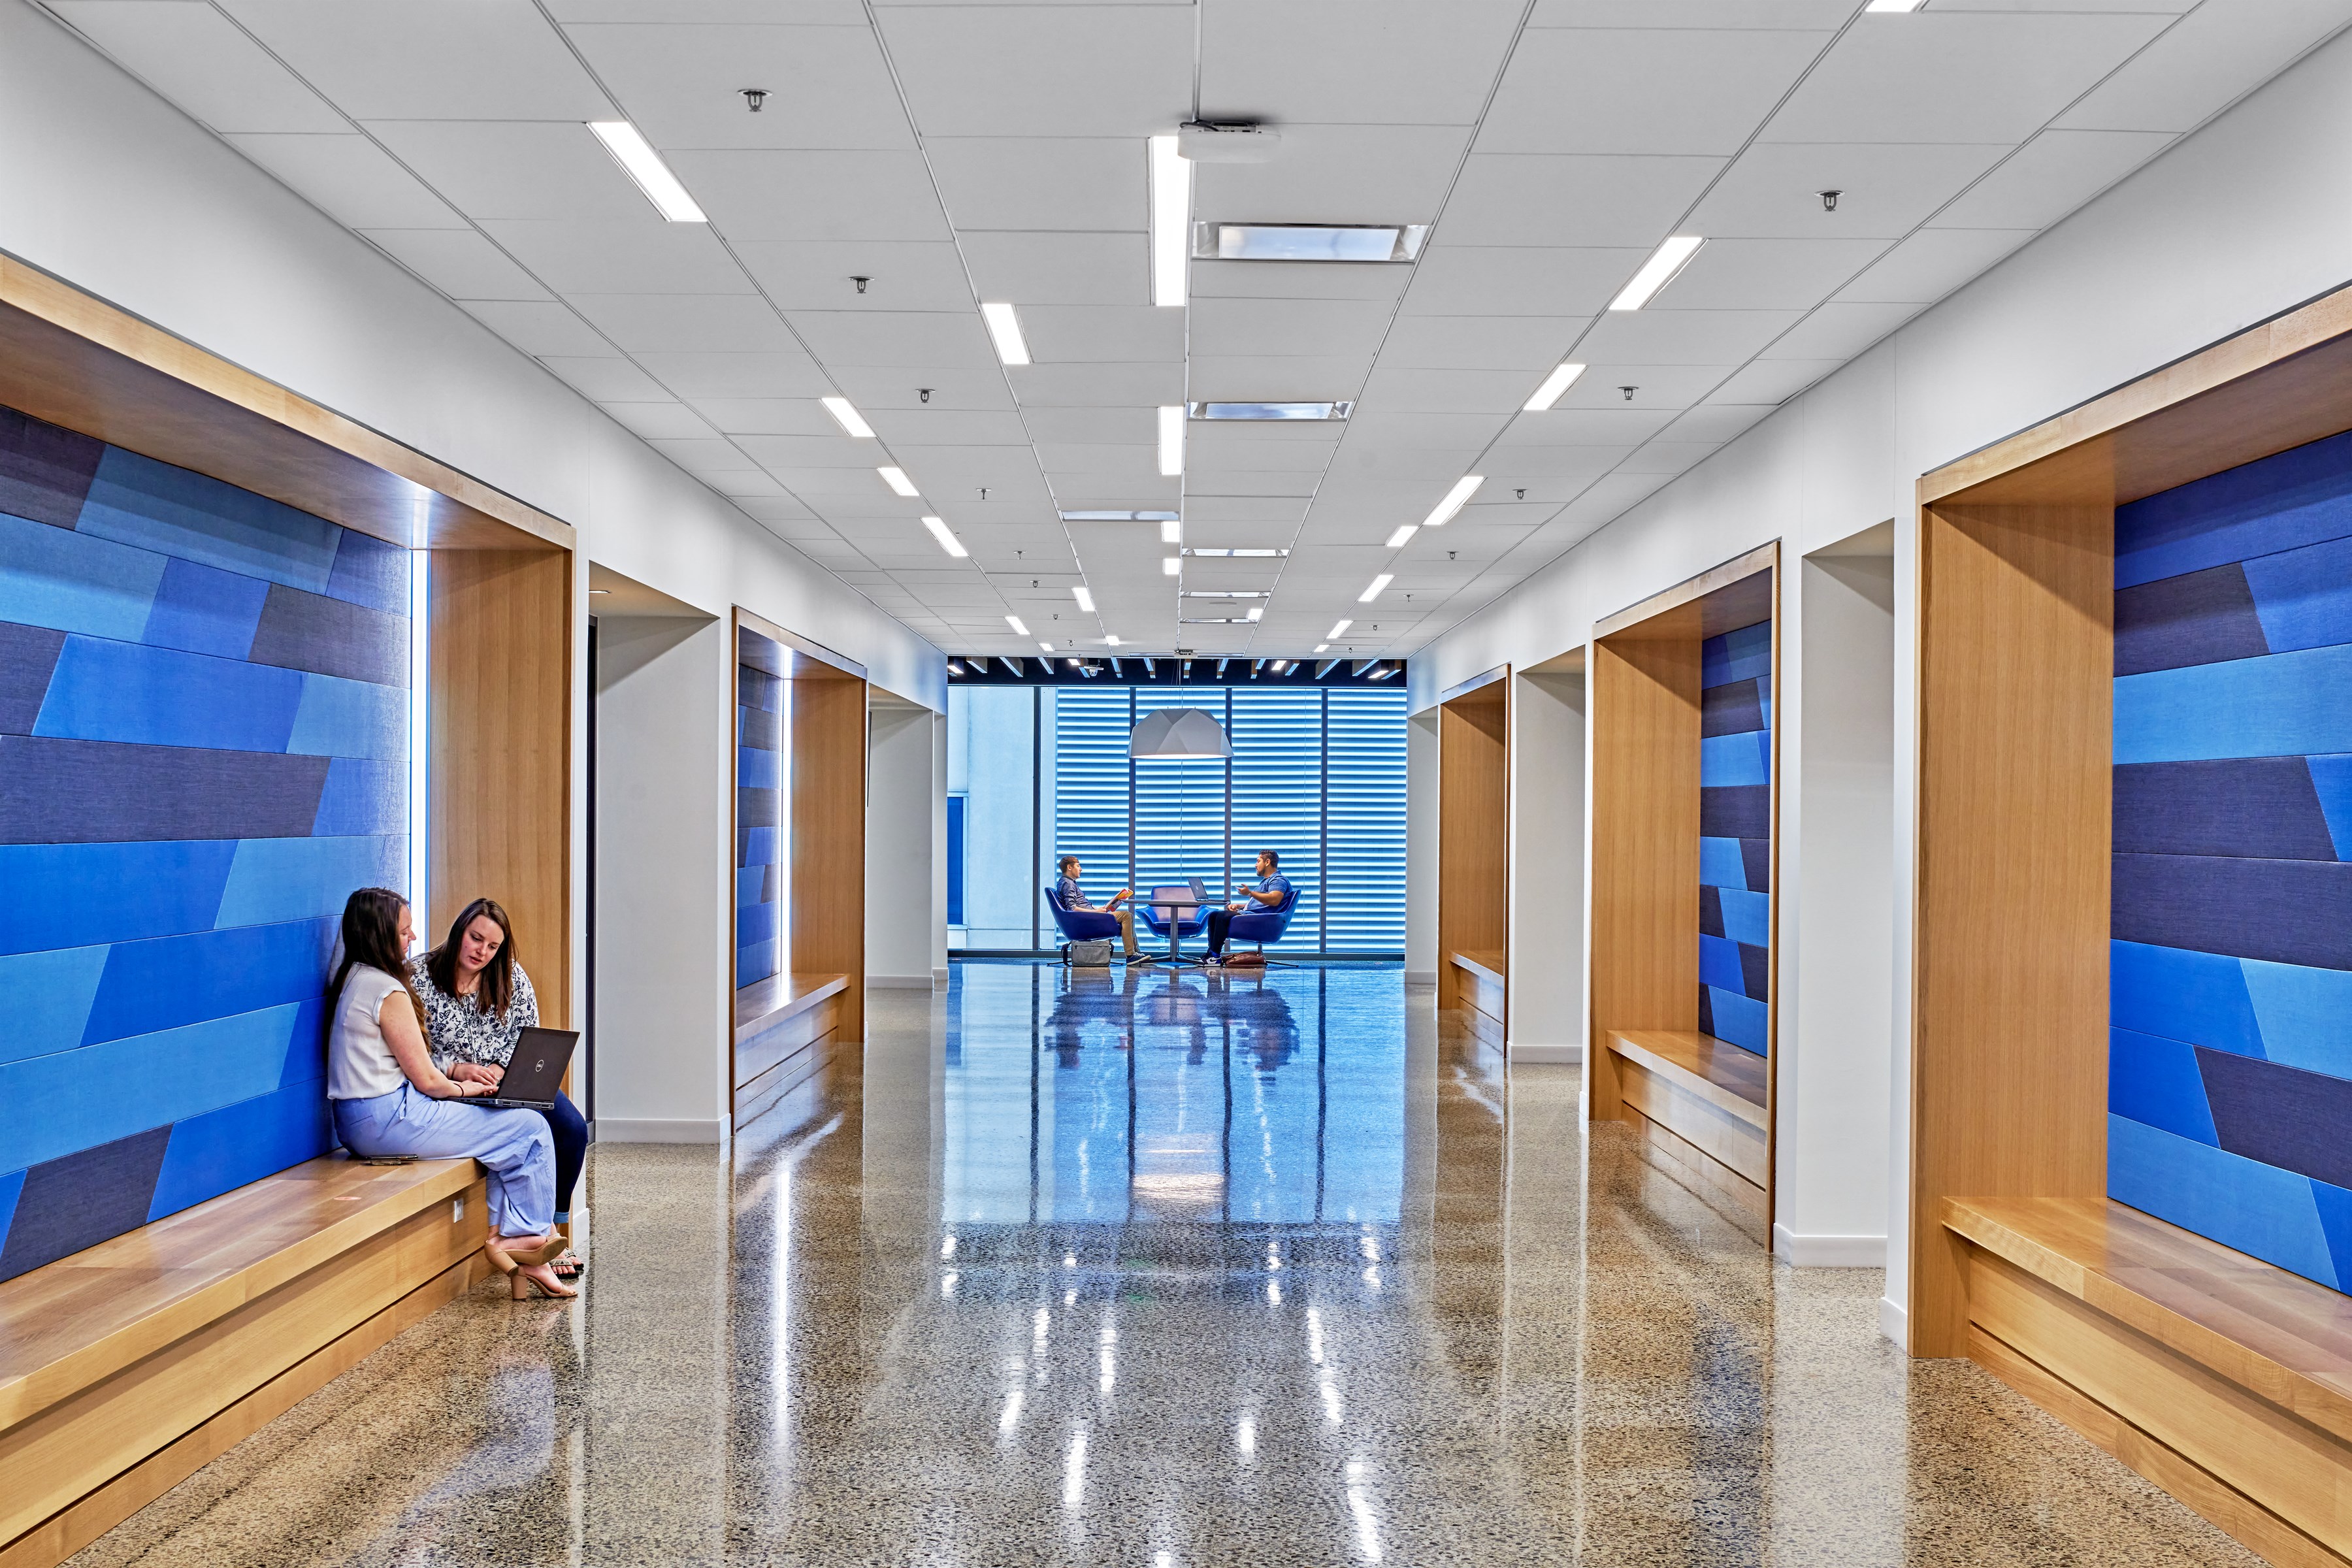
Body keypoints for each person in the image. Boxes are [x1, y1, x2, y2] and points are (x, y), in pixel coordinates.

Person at [325, 887, 574, 1300]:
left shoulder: (358, 978)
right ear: (378, 934)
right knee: (528, 1129)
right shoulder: (390, 991)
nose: (414, 939)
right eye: (405, 931)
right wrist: (466, 1085)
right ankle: (526, 1240)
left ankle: (518, 1242)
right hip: (387, 1117)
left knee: (512, 1131)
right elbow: (427, 1080)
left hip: (368, 1116)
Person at [412, 898, 589, 1281]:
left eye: (493, 947)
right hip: (455, 1087)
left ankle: (555, 1229)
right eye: (476, 939)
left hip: (507, 1078)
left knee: (573, 1129)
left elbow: (528, 1032)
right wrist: (458, 1069)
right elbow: (413, 1049)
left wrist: (501, 1067)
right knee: (528, 1130)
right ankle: (540, 1238)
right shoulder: (419, 977)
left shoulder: (510, 974)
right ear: (460, 931)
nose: (482, 952)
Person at [1054, 855, 1151, 962]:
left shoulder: (1069, 883)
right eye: (1078, 866)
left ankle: (1136, 953)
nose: (1081, 869)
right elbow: (1072, 908)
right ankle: (1131, 955)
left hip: (1088, 917)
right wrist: (1097, 913)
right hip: (1086, 920)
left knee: (1129, 917)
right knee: (1126, 916)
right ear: (1069, 867)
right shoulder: (1067, 884)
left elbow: (1080, 904)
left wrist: (1098, 909)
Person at [1205, 850, 1292, 964]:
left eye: (1258, 861)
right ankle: (1211, 954)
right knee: (1214, 915)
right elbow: (1260, 904)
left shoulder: (1278, 880)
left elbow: (1274, 900)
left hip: (1262, 920)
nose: (1256, 865)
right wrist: (1238, 906)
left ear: (1267, 862)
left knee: (1221, 916)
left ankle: (1215, 956)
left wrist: (1250, 893)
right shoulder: (1267, 882)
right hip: (1254, 916)